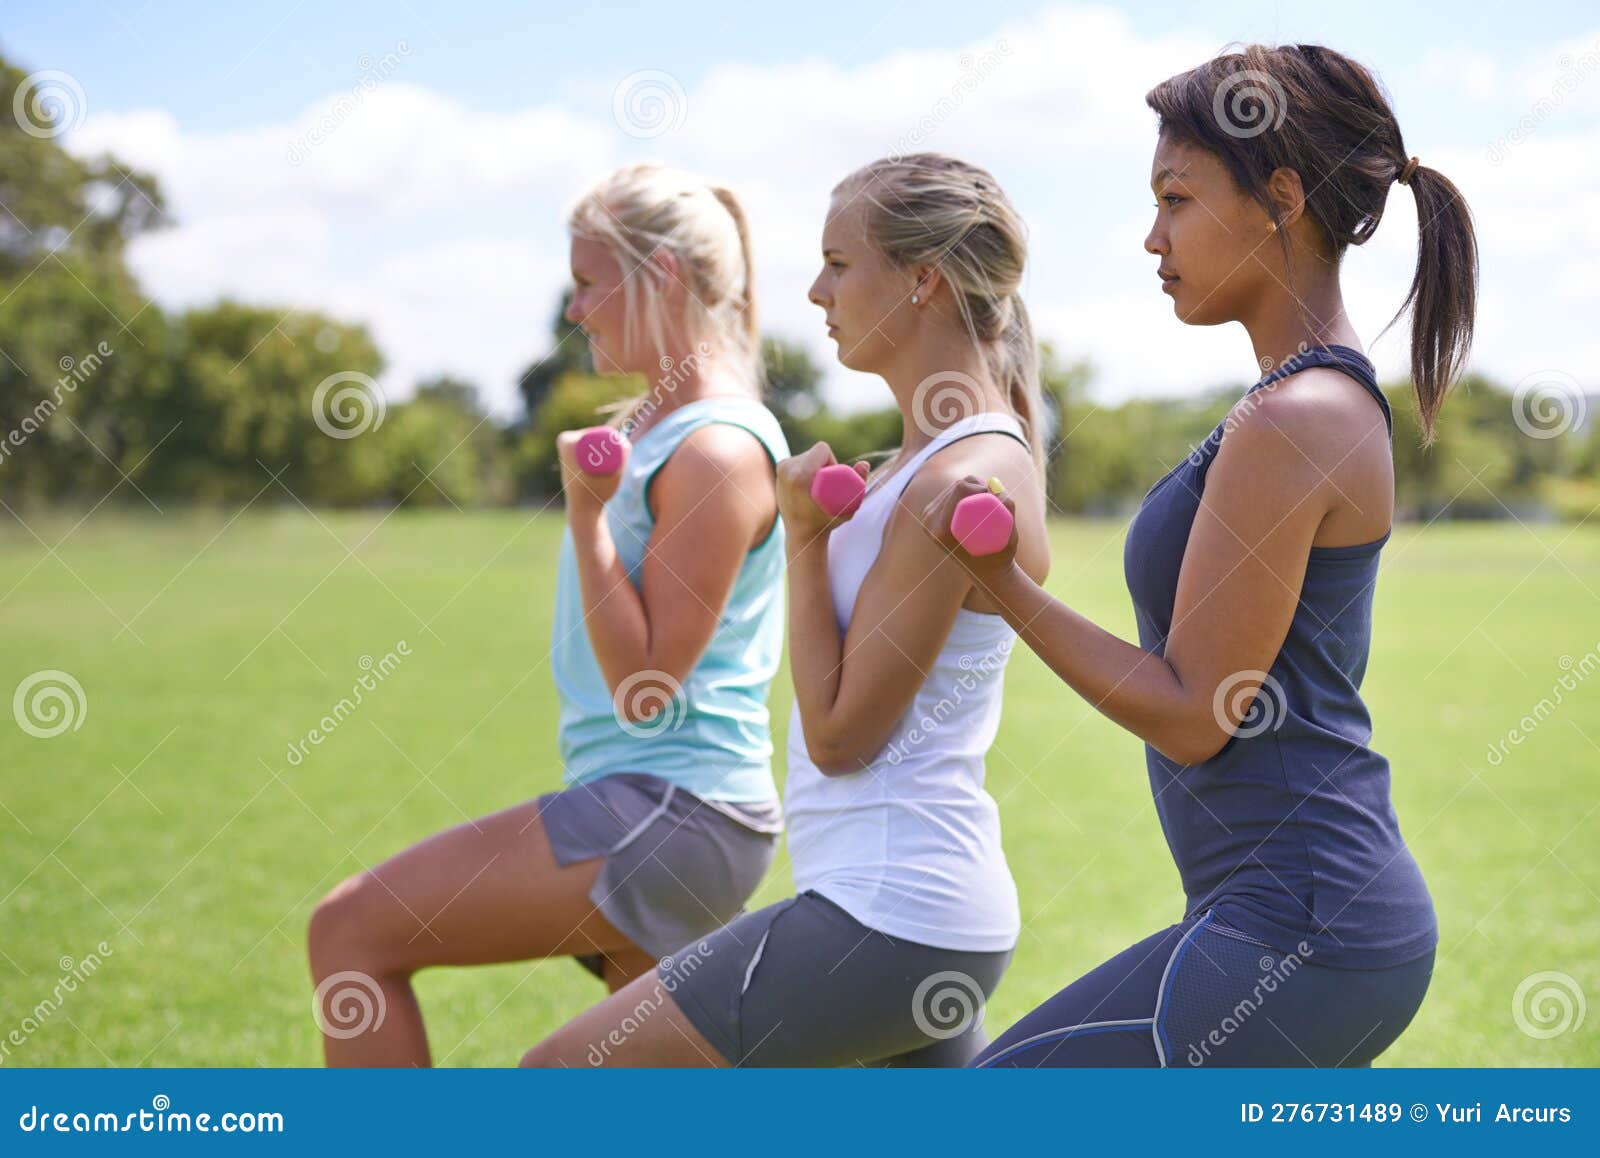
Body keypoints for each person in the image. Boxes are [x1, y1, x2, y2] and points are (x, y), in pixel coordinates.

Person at [922, 44, 1475, 1067]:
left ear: (1279, 197)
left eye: (1175, 199)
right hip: (1282, 917)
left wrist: (997, 585)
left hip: (1299, 930)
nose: (1149, 236)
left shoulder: (1298, 417)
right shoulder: (1298, 403)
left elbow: (1192, 714)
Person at [520, 153, 1051, 1067]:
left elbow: (844, 737)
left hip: (891, 919)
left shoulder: (963, 477)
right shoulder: (924, 467)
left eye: (840, 264)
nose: (812, 291)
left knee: (560, 1078)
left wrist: (805, 538)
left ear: (922, 280)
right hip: (904, 913)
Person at [307, 163, 790, 1066]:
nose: (575, 310)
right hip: (658, 810)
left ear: (664, 279)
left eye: (587, 281)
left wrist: (586, 510)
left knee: (351, 936)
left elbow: (646, 686)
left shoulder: (717, 450)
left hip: (672, 814)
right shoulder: (671, 433)